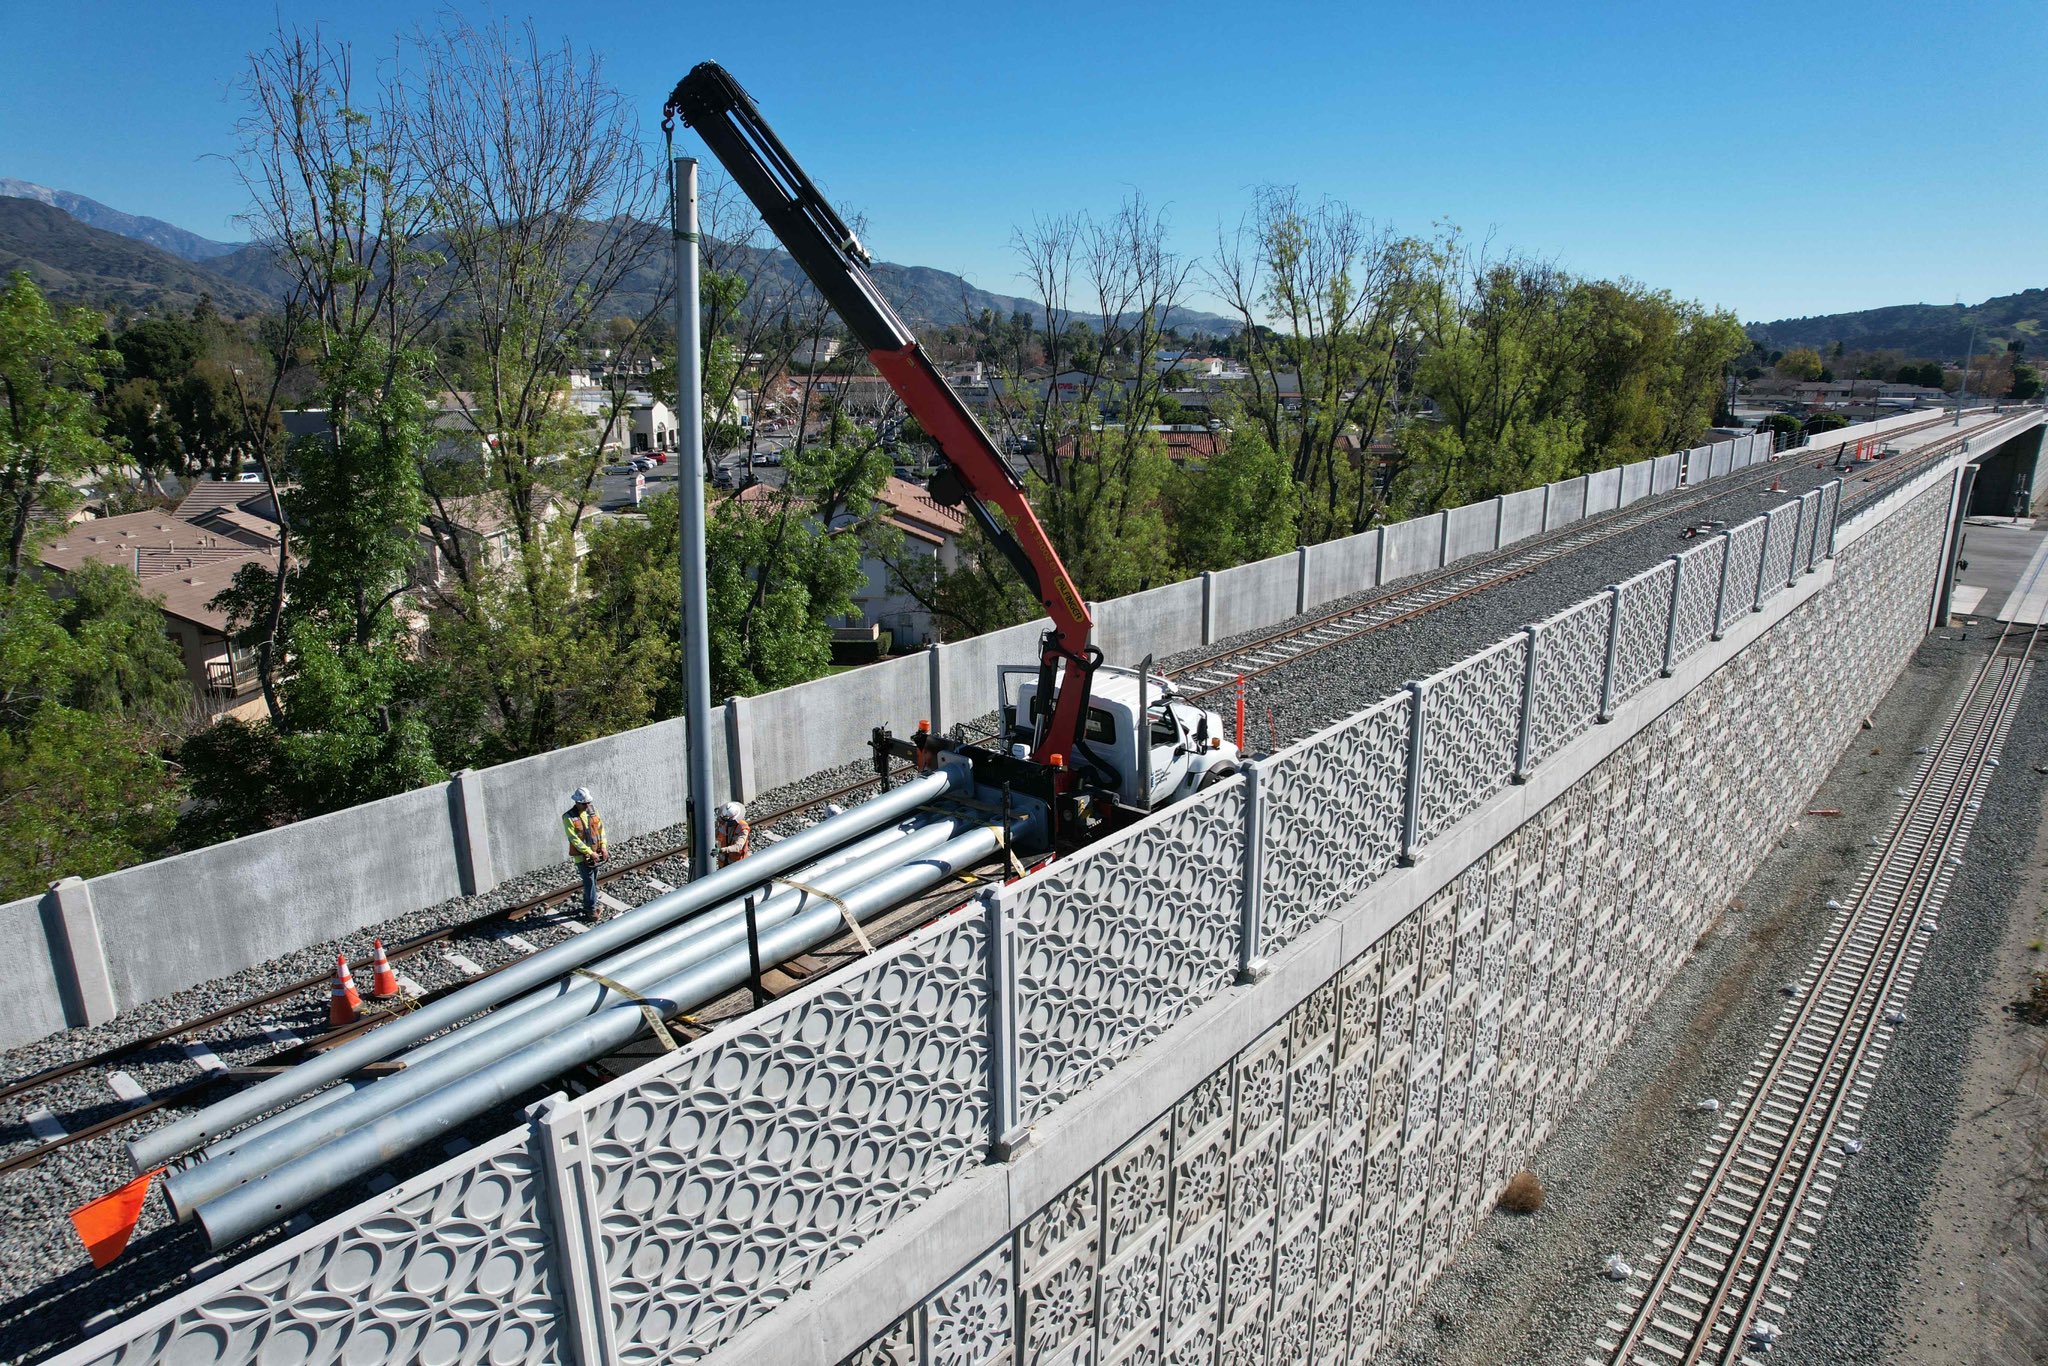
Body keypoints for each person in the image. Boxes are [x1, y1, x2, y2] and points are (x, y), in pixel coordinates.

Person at [564, 787, 607, 918]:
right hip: (582, 857)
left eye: (588, 802)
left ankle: (589, 905)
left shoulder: (593, 811)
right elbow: (574, 839)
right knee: (589, 882)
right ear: (577, 802)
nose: (587, 805)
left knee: (592, 881)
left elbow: (600, 830)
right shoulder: (568, 817)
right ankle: (592, 911)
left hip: (596, 853)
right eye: (584, 803)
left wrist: (603, 847)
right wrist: (589, 852)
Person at [715, 801, 751, 868]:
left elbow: (738, 847)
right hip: (723, 863)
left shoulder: (743, 828)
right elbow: (717, 834)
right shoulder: (723, 822)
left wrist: (721, 850)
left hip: (737, 865)